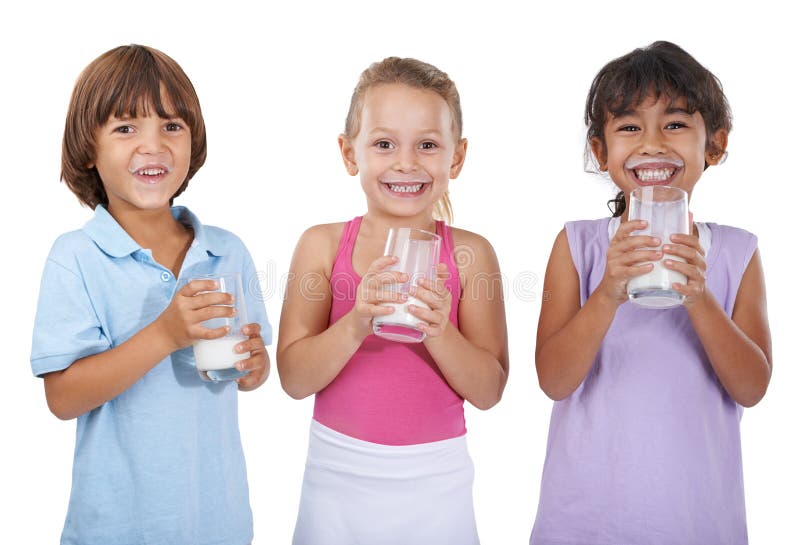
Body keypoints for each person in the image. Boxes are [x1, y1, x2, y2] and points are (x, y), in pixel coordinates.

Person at [530, 41, 772, 544]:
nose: (653, 143)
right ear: (601, 151)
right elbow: (553, 380)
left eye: (676, 123)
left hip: (697, 523)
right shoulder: (577, 245)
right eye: (629, 127)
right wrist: (607, 293)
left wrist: (699, 297)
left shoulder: (737, 252)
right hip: (586, 523)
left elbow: (751, 388)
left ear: (714, 144)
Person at [30, 45, 270, 545]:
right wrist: (164, 334)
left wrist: (254, 365)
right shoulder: (76, 257)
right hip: (120, 529)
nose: (153, 145)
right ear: (89, 149)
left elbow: (250, 373)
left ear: (193, 142)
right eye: (126, 128)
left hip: (218, 523)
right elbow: (62, 398)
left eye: (172, 126)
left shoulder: (226, 250)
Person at [277, 57, 509, 545]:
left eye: (428, 145)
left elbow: (489, 392)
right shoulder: (321, 246)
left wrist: (439, 331)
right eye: (384, 144)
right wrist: (356, 322)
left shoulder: (471, 255)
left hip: (436, 479)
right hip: (337, 475)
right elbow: (295, 380)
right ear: (349, 153)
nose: (406, 162)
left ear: (457, 158)